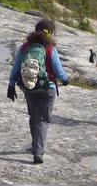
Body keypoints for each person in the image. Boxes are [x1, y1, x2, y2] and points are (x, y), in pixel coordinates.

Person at [7, 18, 69, 164]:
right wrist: (65, 80)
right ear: (50, 33)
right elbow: (59, 71)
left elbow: (16, 68)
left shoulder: (25, 47)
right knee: (43, 119)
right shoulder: (50, 49)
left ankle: (36, 145)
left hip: (29, 87)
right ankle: (38, 151)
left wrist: (11, 85)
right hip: (47, 88)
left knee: (34, 116)